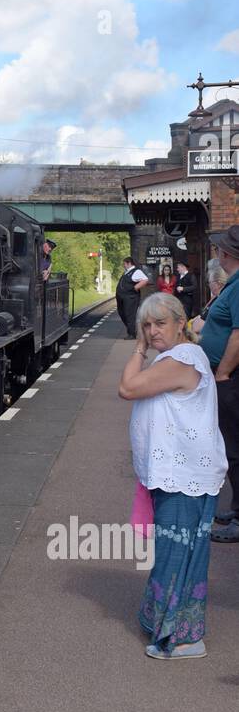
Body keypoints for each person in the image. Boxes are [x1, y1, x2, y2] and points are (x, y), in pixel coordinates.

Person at [119, 293, 227, 657]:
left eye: (159, 323)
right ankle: (163, 623)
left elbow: (127, 388)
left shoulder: (183, 358)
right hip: (178, 473)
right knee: (174, 551)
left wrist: (137, 349)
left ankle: (183, 638)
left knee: (177, 555)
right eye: (146, 326)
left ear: (180, 322)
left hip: (184, 476)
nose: (151, 332)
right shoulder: (178, 357)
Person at [198, 226, 239, 542]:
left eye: (219, 250)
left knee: (236, 448)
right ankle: (236, 507)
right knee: (232, 446)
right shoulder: (234, 284)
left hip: (232, 379)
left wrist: (222, 373)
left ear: (227, 254)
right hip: (228, 377)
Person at [115, 256, 152, 339]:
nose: (123, 265)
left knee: (130, 315)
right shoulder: (127, 272)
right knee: (122, 313)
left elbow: (145, 280)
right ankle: (132, 330)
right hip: (123, 298)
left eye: (124, 264)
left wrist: (135, 287)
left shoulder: (136, 271)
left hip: (130, 297)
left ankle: (131, 334)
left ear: (129, 263)